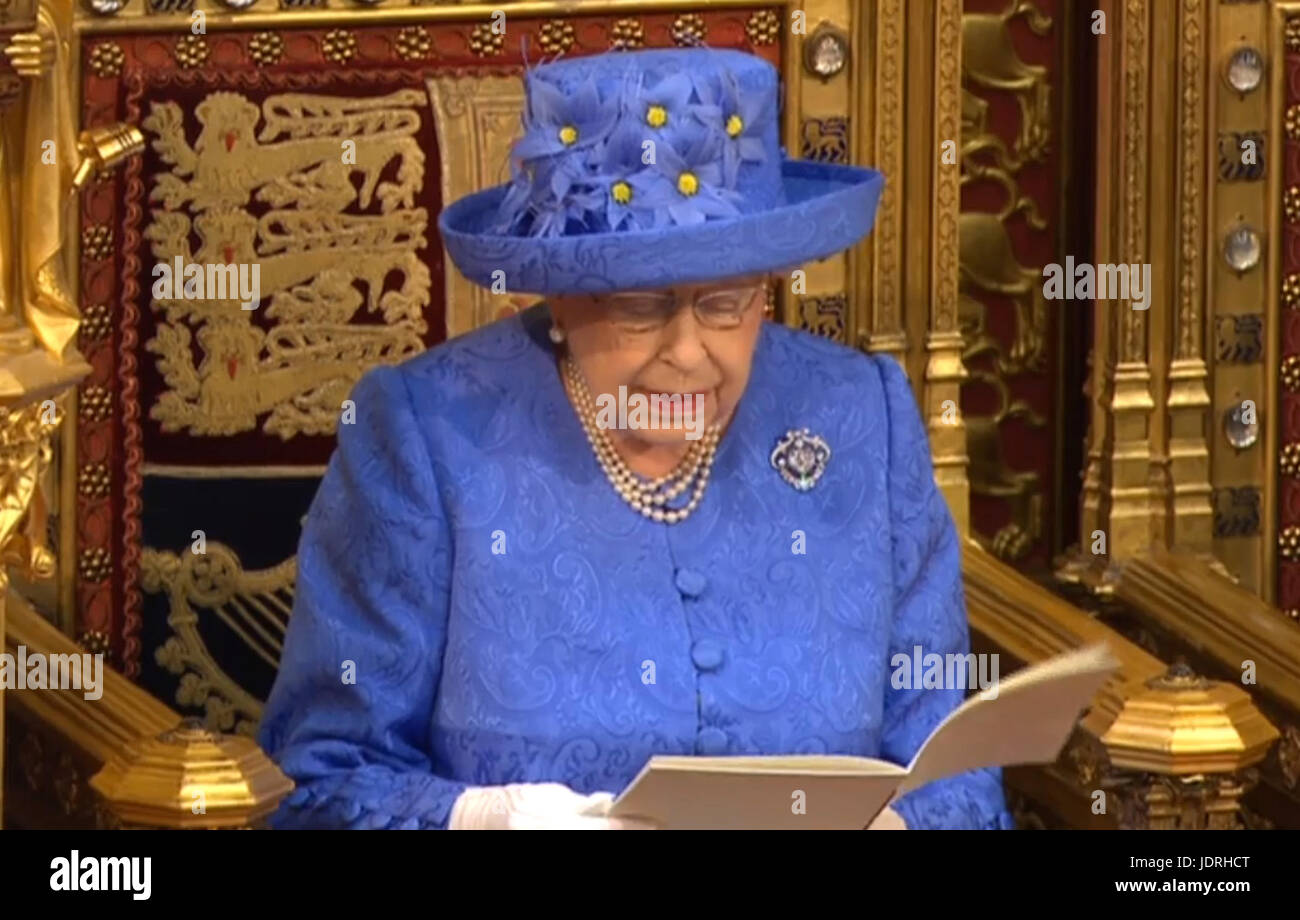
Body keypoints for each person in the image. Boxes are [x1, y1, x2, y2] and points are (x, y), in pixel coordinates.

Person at [259, 46, 1014, 830]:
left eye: (726, 304)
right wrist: (488, 820)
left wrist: (906, 827)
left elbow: (952, 766)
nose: (688, 353)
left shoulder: (865, 415)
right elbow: (318, 782)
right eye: (641, 308)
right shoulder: (425, 436)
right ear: (560, 294)